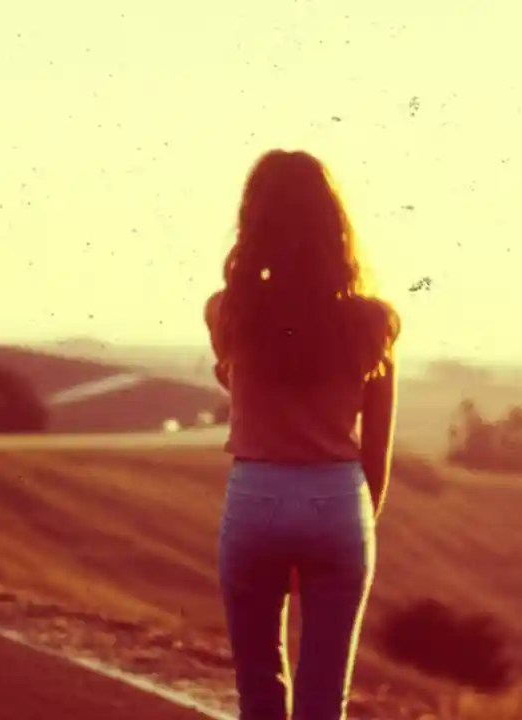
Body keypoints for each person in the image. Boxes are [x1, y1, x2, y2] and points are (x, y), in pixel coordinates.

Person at [204, 149, 401, 720]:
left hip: (256, 495)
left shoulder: (227, 312)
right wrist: (352, 521)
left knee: (259, 694)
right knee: (323, 701)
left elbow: (239, 378)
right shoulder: (375, 324)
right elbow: (378, 449)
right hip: (338, 497)